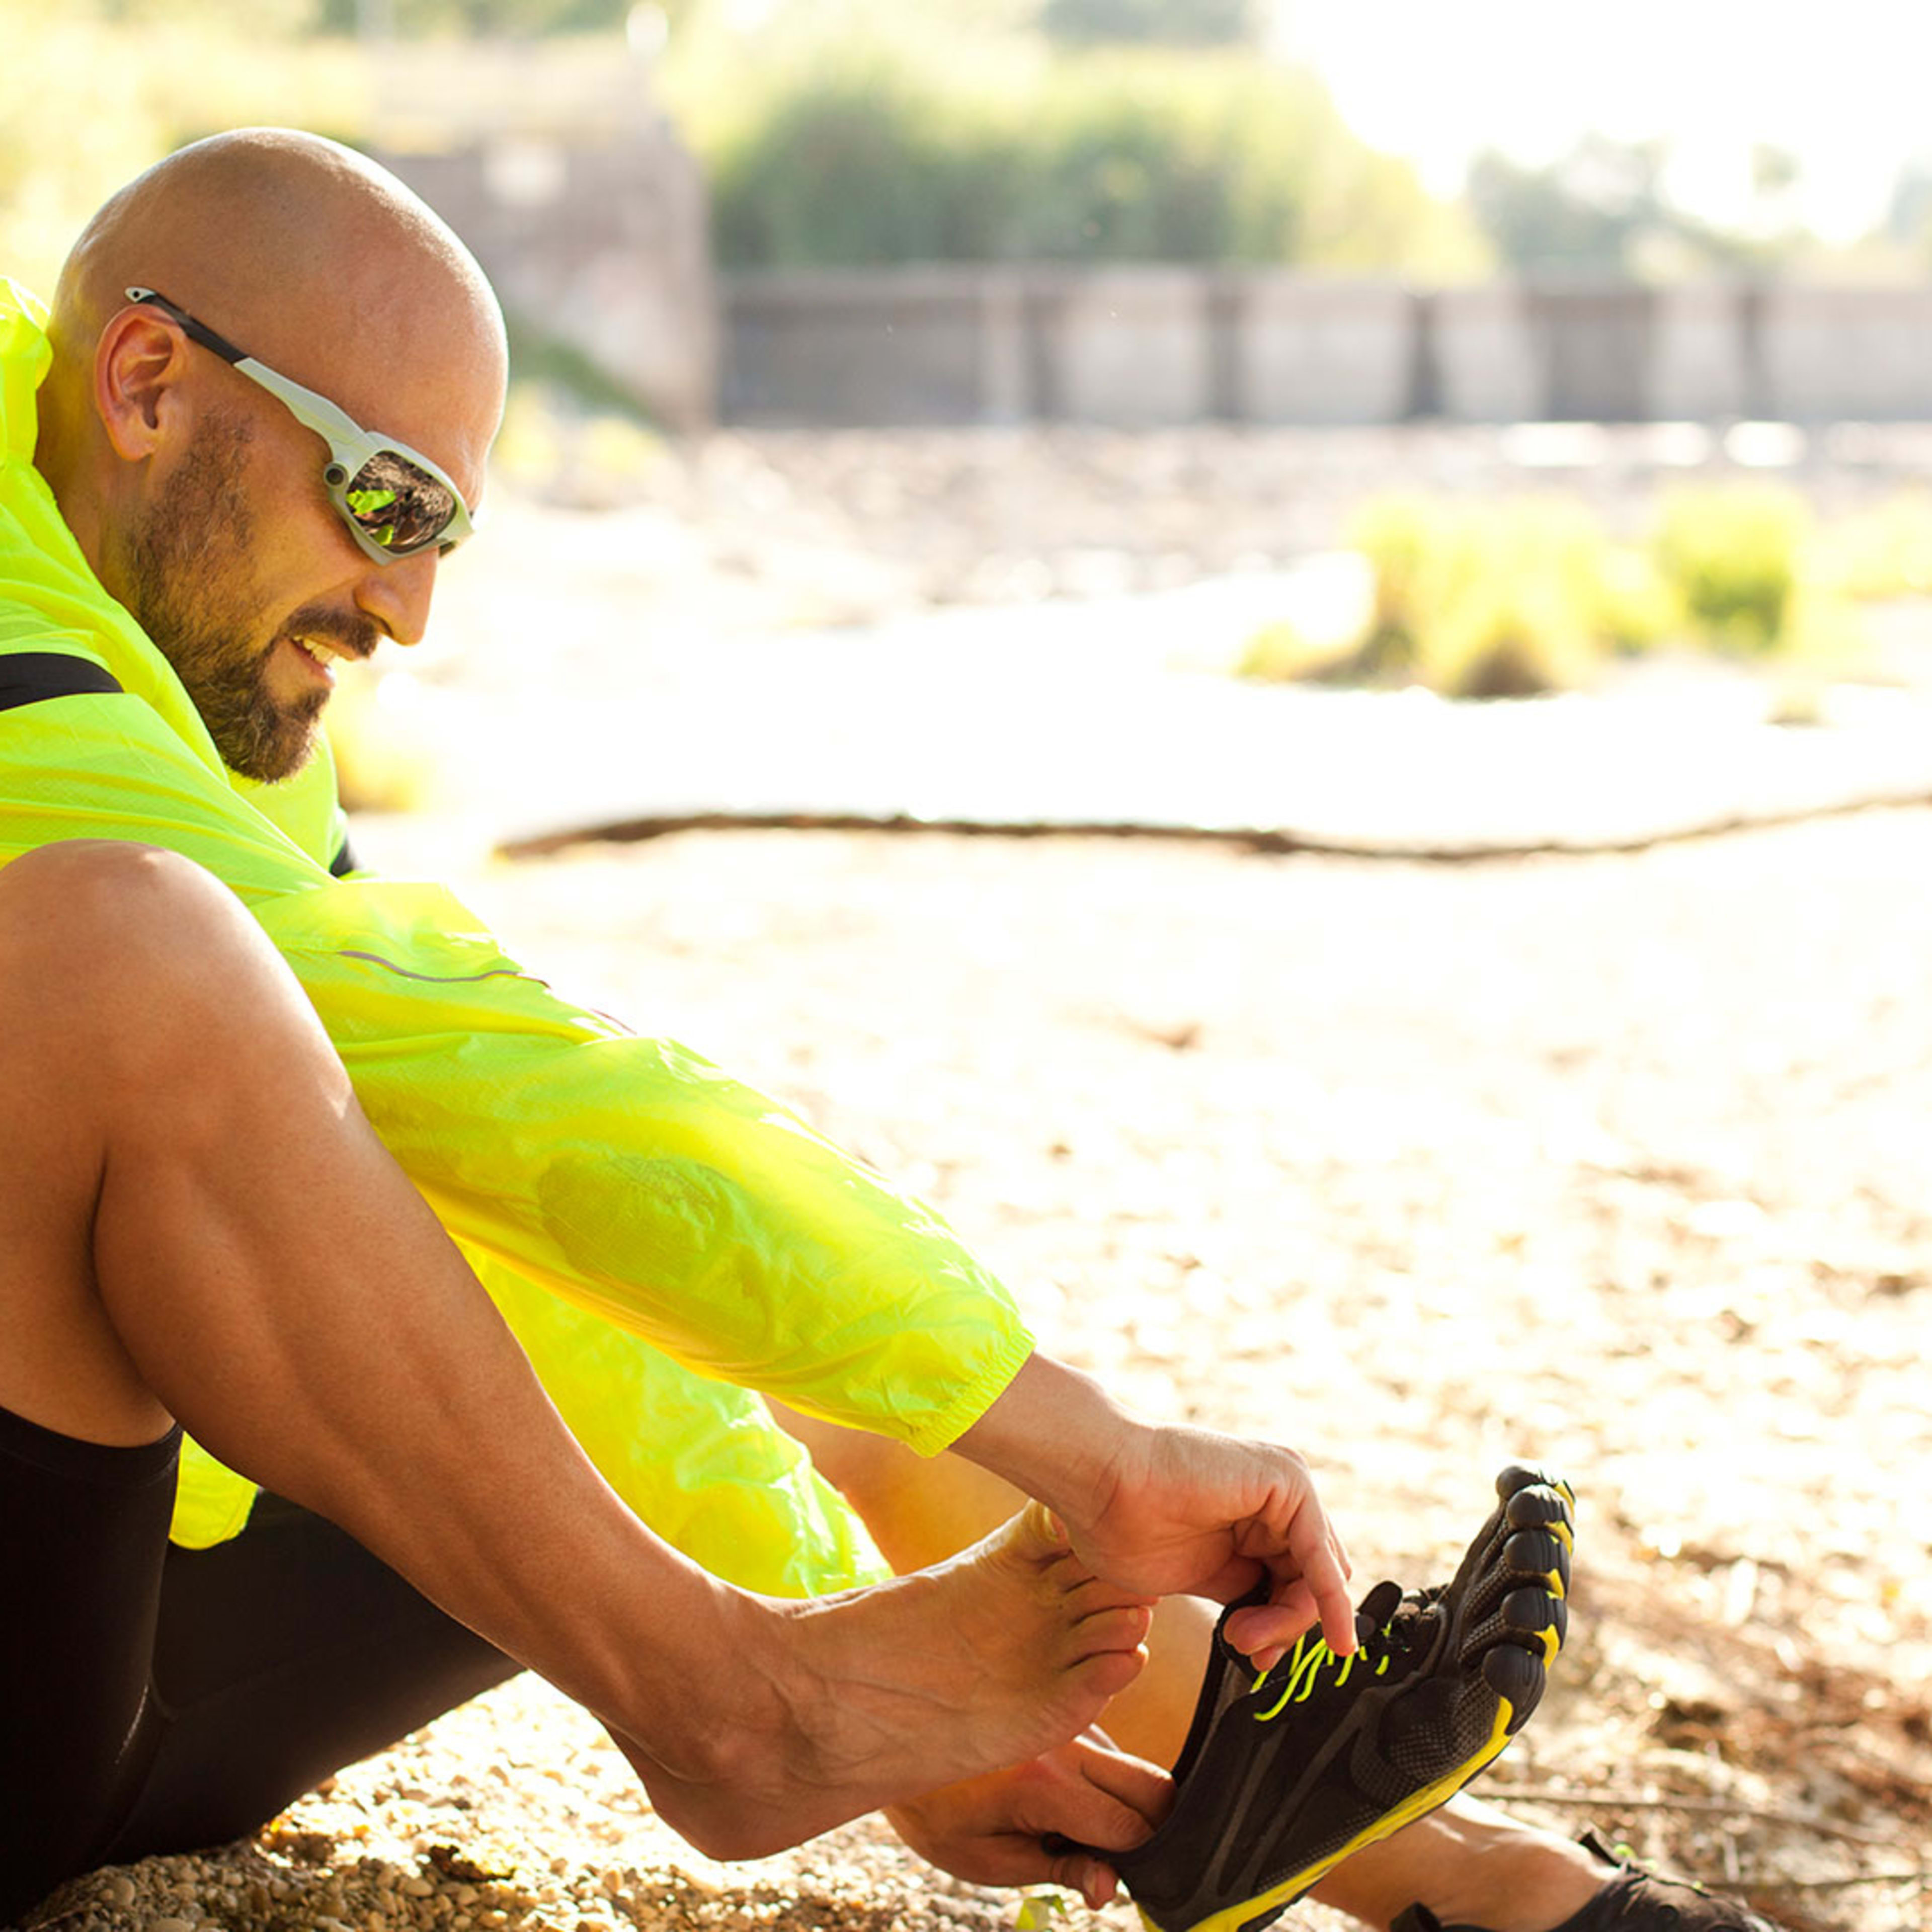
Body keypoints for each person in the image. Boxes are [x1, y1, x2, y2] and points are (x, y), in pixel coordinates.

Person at [0, 128, 1775, 1932]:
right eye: (385, 504)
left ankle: (1463, 1879)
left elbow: (497, 1196)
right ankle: (722, 1699)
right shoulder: (27, 684)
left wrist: (887, 1643)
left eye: (447, 530)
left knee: (800, 1368)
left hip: (155, 1616)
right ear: (148, 381)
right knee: (122, 956)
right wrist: (1021, 1483)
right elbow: (515, 1089)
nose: (412, 607)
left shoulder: (157, 628)